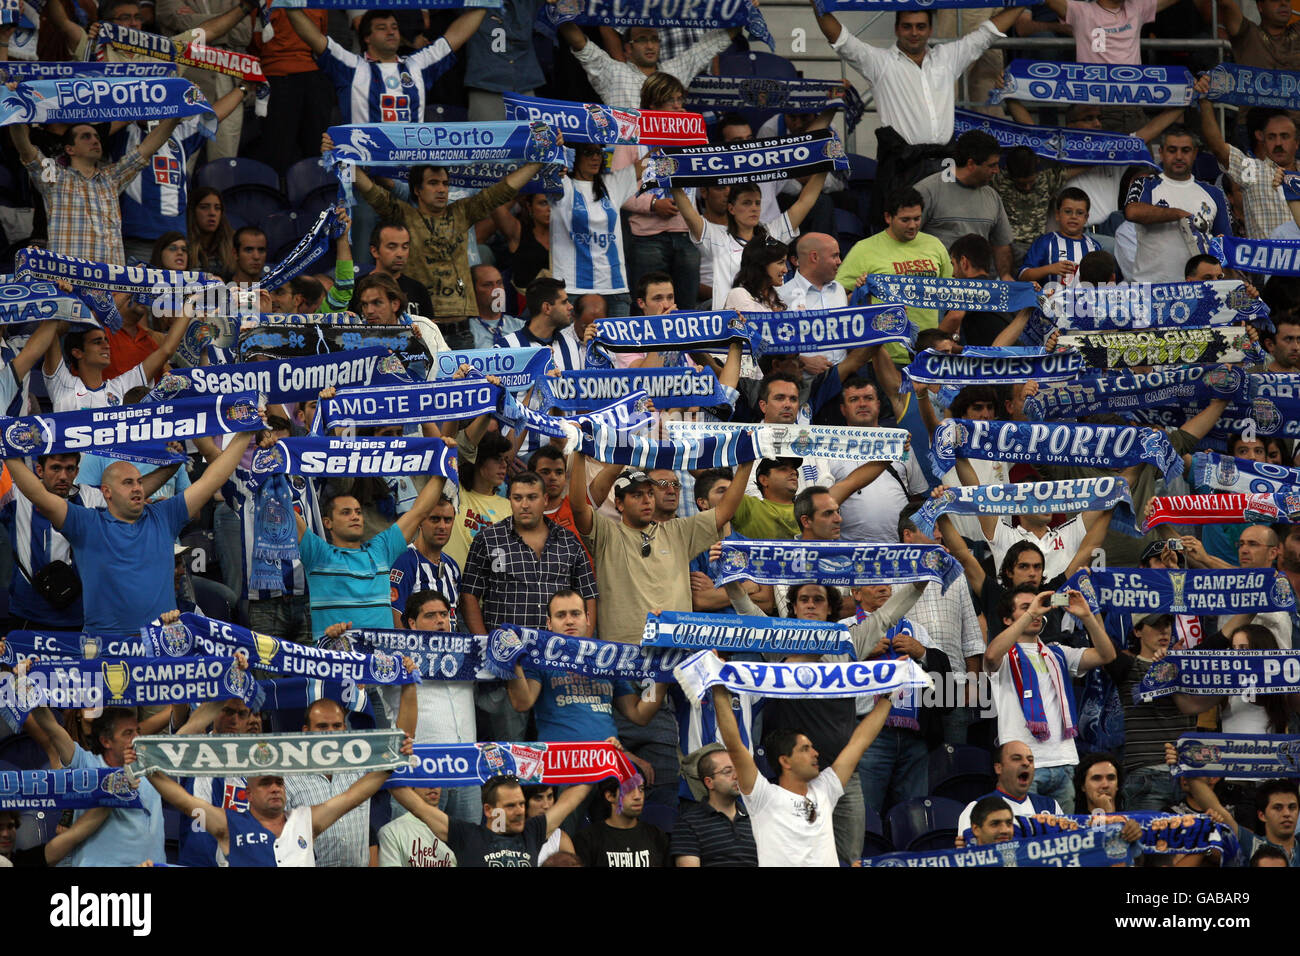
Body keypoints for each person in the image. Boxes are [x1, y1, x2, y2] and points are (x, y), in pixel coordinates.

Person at [5, 429, 252, 633]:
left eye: (138, 482)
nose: (137, 488)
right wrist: (8, 448)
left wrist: (245, 434)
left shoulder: (164, 516)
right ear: (107, 492)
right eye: (127, 482)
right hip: (106, 652)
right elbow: (36, 494)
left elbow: (213, 478)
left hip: (160, 646)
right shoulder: (86, 525)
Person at [810, 3, 1024, 230]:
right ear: (897, 29)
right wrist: (816, 3)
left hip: (945, 165)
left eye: (920, 27)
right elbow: (839, 39)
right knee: (900, 242)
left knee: (947, 236)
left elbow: (988, 33)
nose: (914, 33)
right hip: (903, 168)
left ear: (930, 30)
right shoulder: (879, 63)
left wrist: (1023, 3)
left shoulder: (947, 58)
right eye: (907, 27)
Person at [340, 144, 546, 350]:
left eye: (445, 184)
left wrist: (540, 159)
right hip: (423, 328)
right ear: (417, 190)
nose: (441, 189)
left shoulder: (462, 212)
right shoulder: (404, 215)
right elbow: (372, 193)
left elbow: (502, 191)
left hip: (462, 329)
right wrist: (343, 154)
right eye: (433, 183)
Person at [712, 680, 895, 867]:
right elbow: (734, 745)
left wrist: (889, 696)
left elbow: (860, 742)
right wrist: (717, 688)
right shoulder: (763, 796)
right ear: (785, 761)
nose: (815, 753)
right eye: (805, 749)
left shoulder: (825, 788)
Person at [294, 442, 453, 645]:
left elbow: (420, 511)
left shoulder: (381, 549)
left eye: (358, 512)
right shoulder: (317, 554)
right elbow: (287, 509)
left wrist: (442, 463)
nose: (355, 517)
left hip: (380, 664)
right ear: (328, 522)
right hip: (335, 663)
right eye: (346, 512)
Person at [144, 750, 408, 867]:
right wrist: (146, 767)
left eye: (279, 782)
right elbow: (184, 801)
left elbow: (354, 795)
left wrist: (392, 760)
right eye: (266, 783)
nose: (275, 788)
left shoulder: (305, 819)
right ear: (248, 793)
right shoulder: (228, 824)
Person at [984, 585, 1118, 812]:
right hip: (1024, 764)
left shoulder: (1058, 653)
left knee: (1062, 839)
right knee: (1027, 838)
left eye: (1038, 606)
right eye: (1025, 607)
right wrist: (1031, 614)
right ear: (1008, 620)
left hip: (1064, 761)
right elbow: (990, 656)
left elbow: (1107, 655)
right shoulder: (1006, 655)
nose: (1037, 612)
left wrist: (1087, 617)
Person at [10, 111, 180, 264]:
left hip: (109, 283)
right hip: (68, 282)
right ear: (69, 149)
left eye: (97, 137)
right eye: (86, 136)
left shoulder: (111, 178)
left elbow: (148, 147)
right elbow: (25, 148)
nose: (95, 141)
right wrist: (14, 108)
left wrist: (178, 112)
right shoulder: (54, 178)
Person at [505, 589, 664, 744]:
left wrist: (665, 672)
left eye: (575, 614)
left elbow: (639, 714)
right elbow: (522, 703)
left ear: (587, 618)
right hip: (559, 762)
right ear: (549, 623)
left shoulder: (606, 659)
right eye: (561, 615)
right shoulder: (539, 659)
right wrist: (514, 659)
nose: (569, 621)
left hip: (605, 760)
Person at [460, 471, 597, 634]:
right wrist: (483, 643)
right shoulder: (488, 539)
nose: (524, 505)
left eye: (532, 497)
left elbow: (588, 594)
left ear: (545, 500)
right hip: (504, 650)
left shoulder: (568, 541)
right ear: (509, 500)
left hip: (557, 650)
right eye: (517, 498)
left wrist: (583, 645)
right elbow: (469, 594)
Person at [26, 706, 164, 866]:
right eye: (128, 733)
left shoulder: (153, 771)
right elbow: (50, 726)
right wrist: (28, 692)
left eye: (137, 731)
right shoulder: (85, 763)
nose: (136, 738)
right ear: (106, 741)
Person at [675, 174, 826, 312]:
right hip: (731, 320)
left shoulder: (771, 235)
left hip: (768, 316)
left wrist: (825, 166)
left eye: (757, 203)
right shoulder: (717, 237)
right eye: (747, 203)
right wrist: (672, 183)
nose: (754, 208)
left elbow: (805, 202)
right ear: (731, 208)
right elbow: (688, 214)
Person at [837, 188, 953, 360]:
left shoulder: (934, 245)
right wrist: (859, 291)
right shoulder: (863, 249)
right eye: (905, 220)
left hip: (928, 353)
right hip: (882, 355)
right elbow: (836, 297)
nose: (912, 225)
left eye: (917, 218)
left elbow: (952, 293)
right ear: (888, 218)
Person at [390, 773, 595, 867]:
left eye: (521, 804)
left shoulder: (532, 832)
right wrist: (387, 766)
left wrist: (603, 758)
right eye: (510, 806)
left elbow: (571, 800)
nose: (519, 811)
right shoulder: (466, 835)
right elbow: (418, 807)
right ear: (488, 810)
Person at [1124, 125, 1231, 283]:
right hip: (1151, 287)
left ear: (1195, 153)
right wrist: (1179, 214)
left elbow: (1225, 244)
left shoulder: (1214, 193)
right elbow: (1132, 212)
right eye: (1172, 150)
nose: (1179, 156)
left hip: (1199, 290)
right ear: (1160, 152)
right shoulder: (1145, 183)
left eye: (1186, 150)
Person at [558, 19, 737, 110]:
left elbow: (712, 45)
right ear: (627, 48)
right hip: (628, 156)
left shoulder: (673, 70)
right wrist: (560, 12)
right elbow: (581, 45)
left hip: (666, 153)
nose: (650, 46)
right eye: (642, 40)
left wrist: (745, 14)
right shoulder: (614, 71)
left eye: (654, 40)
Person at [1198, 88, 1298, 239]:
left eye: (1285, 136)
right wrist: (1204, 100)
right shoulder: (1253, 169)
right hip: (1266, 261)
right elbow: (1217, 147)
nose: (1278, 143)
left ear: (1296, 142)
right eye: (1271, 137)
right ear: (1262, 141)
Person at [914, 130, 1014, 278]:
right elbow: (904, 237)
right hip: (937, 288)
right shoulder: (927, 191)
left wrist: (1005, 276)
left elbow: (1001, 245)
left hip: (979, 290)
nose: (996, 171)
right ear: (971, 164)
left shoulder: (992, 196)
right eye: (992, 165)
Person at [670, 747, 758, 867]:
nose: (736, 776)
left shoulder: (755, 819)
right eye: (727, 771)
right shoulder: (688, 823)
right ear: (709, 782)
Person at [956, 740, 1063, 837]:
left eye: (1030, 760)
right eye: (1016, 759)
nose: (1026, 763)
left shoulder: (1051, 806)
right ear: (999, 768)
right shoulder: (976, 807)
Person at [389, 495, 461, 629]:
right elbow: (395, 618)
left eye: (448, 520)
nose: (442, 526)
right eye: (435, 519)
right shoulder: (404, 562)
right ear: (420, 521)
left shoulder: (453, 566)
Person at [777, 232, 847, 368]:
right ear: (814, 257)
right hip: (803, 382)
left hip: (842, 376)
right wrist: (802, 361)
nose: (840, 261)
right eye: (835, 256)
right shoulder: (781, 296)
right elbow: (773, 346)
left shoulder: (839, 289)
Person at [573, 775, 669, 868]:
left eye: (641, 789)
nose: (638, 796)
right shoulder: (588, 839)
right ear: (610, 796)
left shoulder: (656, 836)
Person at [346, 222, 435, 320]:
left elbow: (428, 330)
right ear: (374, 251)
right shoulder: (356, 287)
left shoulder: (418, 289)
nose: (400, 254)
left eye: (405, 247)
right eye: (392, 247)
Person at [1018, 188, 1103, 284]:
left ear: (1086, 218)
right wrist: (1050, 269)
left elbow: (1103, 280)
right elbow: (1023, 275)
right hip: (1049, 298)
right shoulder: (1045, 242)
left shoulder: (1094, 247)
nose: (1073, 217)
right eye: (1068, 211)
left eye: (1079, 213)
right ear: (1057, 214)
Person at [0, 808, 110, 868]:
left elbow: (76, 834)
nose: (5, 834)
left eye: (10, 826)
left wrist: (113, 791)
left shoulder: (25, 861)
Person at [377, 785, 457, 867]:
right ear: (411, 786)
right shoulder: (390, 832)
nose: (433, 786)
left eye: (436, 779)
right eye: (425, 780)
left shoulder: (459, 831)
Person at [1217, 0, 1300, 72]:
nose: (1283, 3)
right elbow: (1226, 3)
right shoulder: (1247, 33)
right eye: (1275, 0)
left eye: (1288, 0)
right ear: (1260, 6)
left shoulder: (1297, 31)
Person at [722, 240, 789, 313]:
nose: (785, 270)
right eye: (780, 263)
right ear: (761, 265)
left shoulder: (775, 297)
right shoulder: (739, 294)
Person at [468, 264, 523, 349]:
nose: (497, 290)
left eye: (499, 283)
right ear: (472, 290)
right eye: (487, 285)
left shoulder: (521, 326)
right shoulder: (466, 331)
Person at [188, 186, 236, 278]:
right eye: (204, 207)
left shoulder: (233, 242)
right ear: (193, 211)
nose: (212, 213)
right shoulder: (183, 245)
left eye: (217, 208)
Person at [524, 784, 575, 865]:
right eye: (538, 798)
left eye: (550, 797)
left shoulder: (561, 838)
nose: (546, 805)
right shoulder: (509, 837)